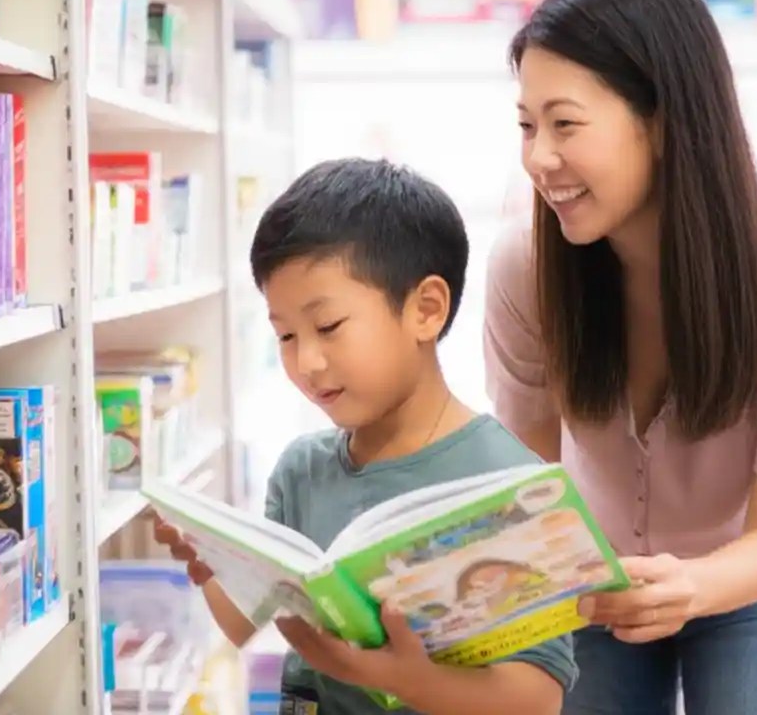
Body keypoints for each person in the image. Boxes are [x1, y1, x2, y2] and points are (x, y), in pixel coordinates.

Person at [483, 0, 757, 713]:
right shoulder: (524, 270)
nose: (539, 157)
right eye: (527, 126)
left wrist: (692, 588)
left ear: (663, 120)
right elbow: (529, 488)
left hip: (748, 581)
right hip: (589, 585)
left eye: (565, 124)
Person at [154, 157, 572, 715]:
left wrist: (405, 678)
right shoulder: (302, 469)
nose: (307, 361)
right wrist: (214, 559)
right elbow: (237, 622)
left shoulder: (508, 481)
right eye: (285, 335)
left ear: (426, 310)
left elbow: (537, 699)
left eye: (328, 327)